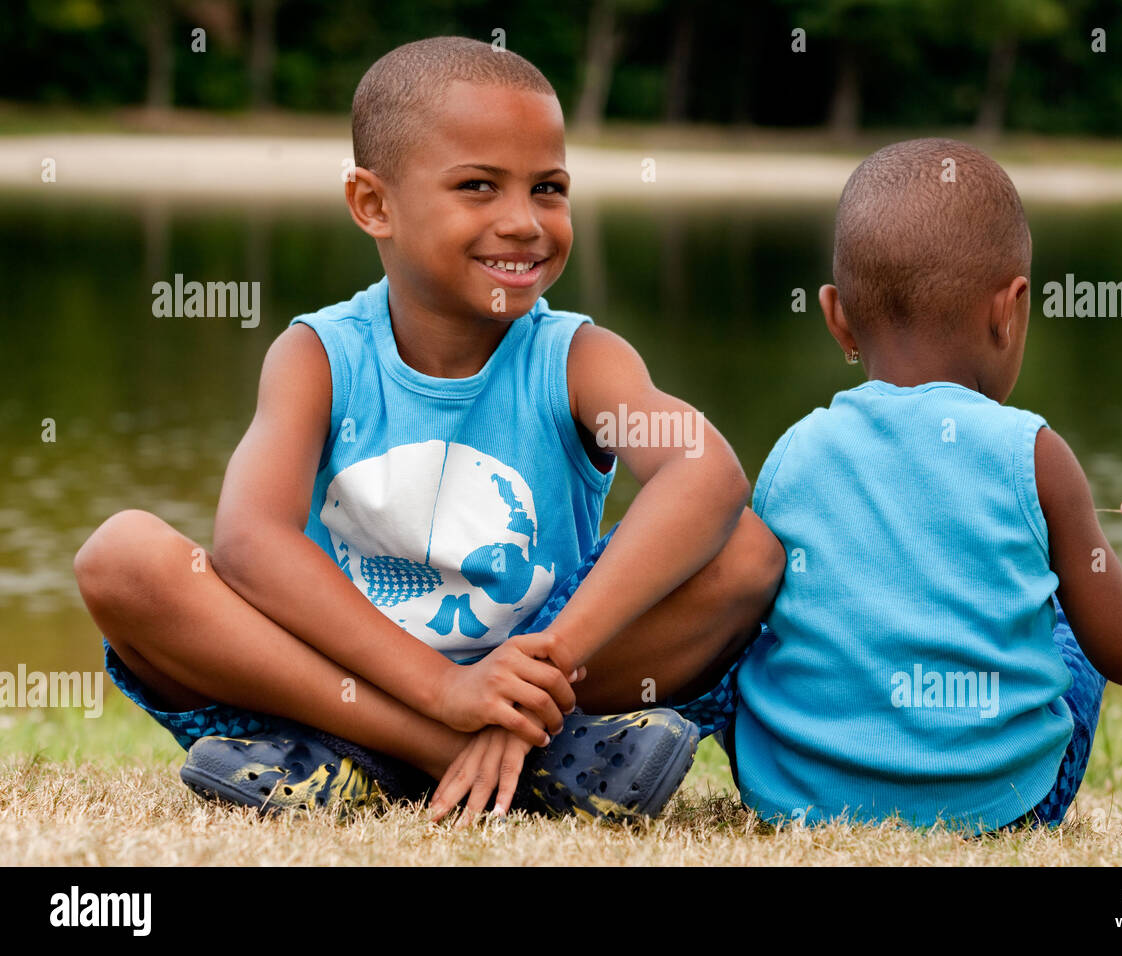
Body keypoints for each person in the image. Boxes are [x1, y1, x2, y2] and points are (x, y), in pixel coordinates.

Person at [73, 37, 785, 827]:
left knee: (747, 552)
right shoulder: (319, 356)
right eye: (478, 187)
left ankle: (389, 759)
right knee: (122, 559)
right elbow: (249, 542)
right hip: (348, 680)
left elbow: (708, 473)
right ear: (374, 205)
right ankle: (454, 755)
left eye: (548, 189)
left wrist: (544, 659)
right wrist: (445, 695)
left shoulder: (578, 358)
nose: (523, 222)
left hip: (541, 676)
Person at [725, 138, 1122, 832]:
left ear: (836, 317)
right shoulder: (1035, 453)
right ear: (1008, 310)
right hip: (1005, 806)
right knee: (1075, 615)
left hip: (796, 793)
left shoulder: (795, 450)